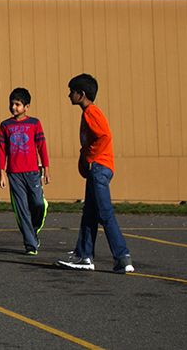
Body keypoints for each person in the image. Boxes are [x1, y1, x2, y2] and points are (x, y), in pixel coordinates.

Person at [57, 73, 135, 273]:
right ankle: (85, 256)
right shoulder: (87, 113)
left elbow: (104, 136)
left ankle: (122, 257)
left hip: (99, 168)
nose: (69, 95)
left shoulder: (91, 112)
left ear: (81, 94)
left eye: (72, 92)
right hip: (97, 169)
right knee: (90, 213)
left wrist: (90, 159)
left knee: (104, 213)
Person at [0, 88, 50, 255]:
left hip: (33, 172)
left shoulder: (34, 123)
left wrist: (46, 168)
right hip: (14, 174)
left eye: (17, 104)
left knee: (38, 204)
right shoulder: (5, 125)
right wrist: (1, 172)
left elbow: (42, 146)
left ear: (26, 107)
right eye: (12, 104)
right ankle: (30, 245)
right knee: (22, 209)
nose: (13, 107)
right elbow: (1, 150)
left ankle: (33, 231)